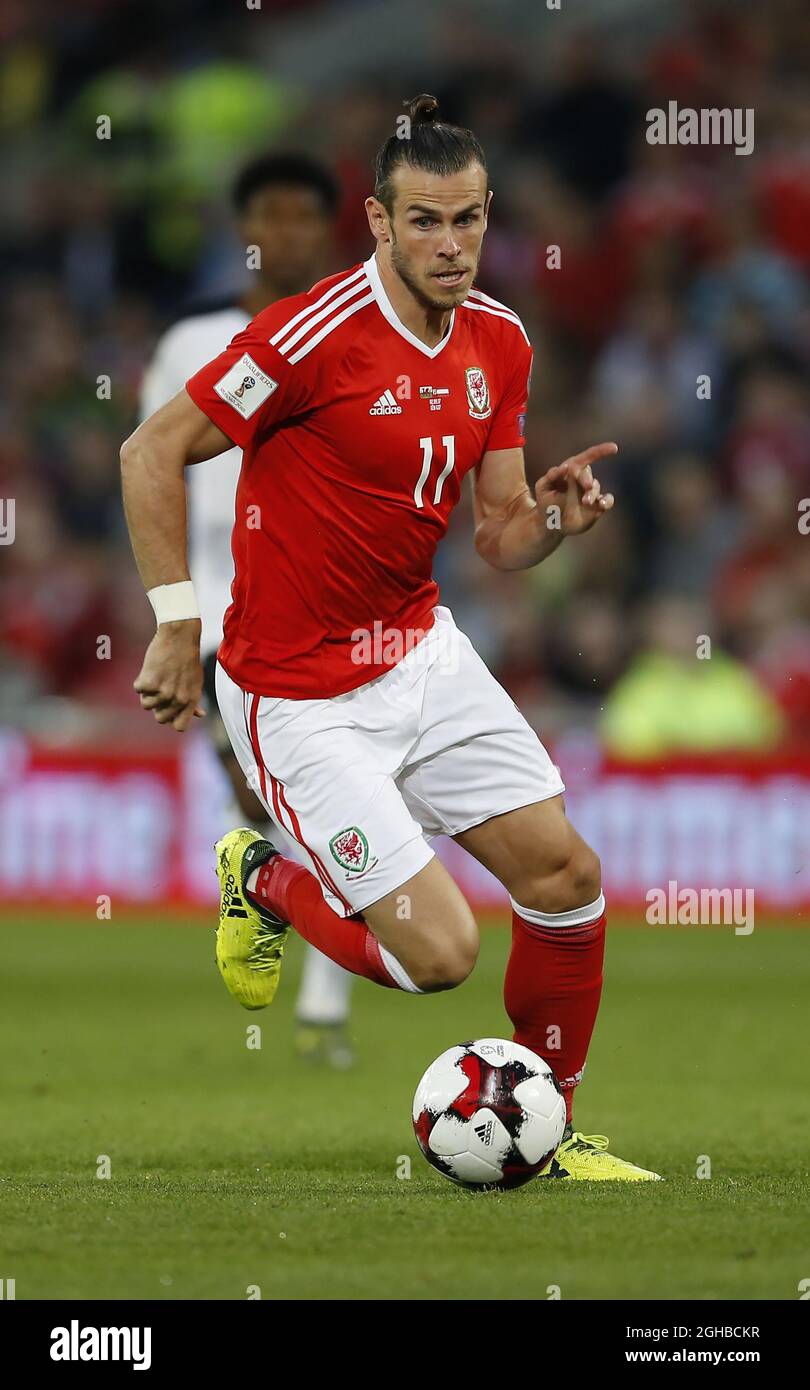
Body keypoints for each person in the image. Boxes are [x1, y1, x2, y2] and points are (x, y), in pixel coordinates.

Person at [121, 95, 660, 1180]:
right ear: (377, 221)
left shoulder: (499, 342)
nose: (451, 244)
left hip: (419, 653)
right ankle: (263, 875)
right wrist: (179, 626)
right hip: (296, 692)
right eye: (425, 221)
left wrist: (554, 516)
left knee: (565, 878)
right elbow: (150, 450)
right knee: (440, 958)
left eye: (467, 220)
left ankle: (553, 1131)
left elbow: (501, 535)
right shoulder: (304, 334)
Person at [138, 152, 355, 1068]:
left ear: (333, 227)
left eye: (306, 215)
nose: (290, 232)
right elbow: (151, 471)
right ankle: (303, 962)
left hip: (345, 601)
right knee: (266, 794)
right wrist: (169, 615)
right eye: (272, 213)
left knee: (340, 794)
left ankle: (322, 1005)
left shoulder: (364, 326)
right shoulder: (192, 341)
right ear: (244, 228)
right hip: (228, 610)